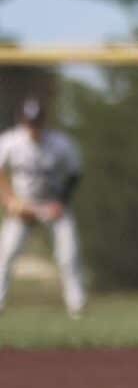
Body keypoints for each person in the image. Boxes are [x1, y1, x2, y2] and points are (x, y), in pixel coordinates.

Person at [0, 96, 87, 318]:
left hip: (52, 206)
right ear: (22, 121)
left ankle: (76, 306)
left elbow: (75, 173)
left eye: (37, 122)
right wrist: (9, 200)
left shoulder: (61, 143)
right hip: (23, 206)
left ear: (43, 122)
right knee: (6, 254)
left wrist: (62, 202)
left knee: (68, 254)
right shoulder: (10, 142)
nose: (33, 128)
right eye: (29, 122)